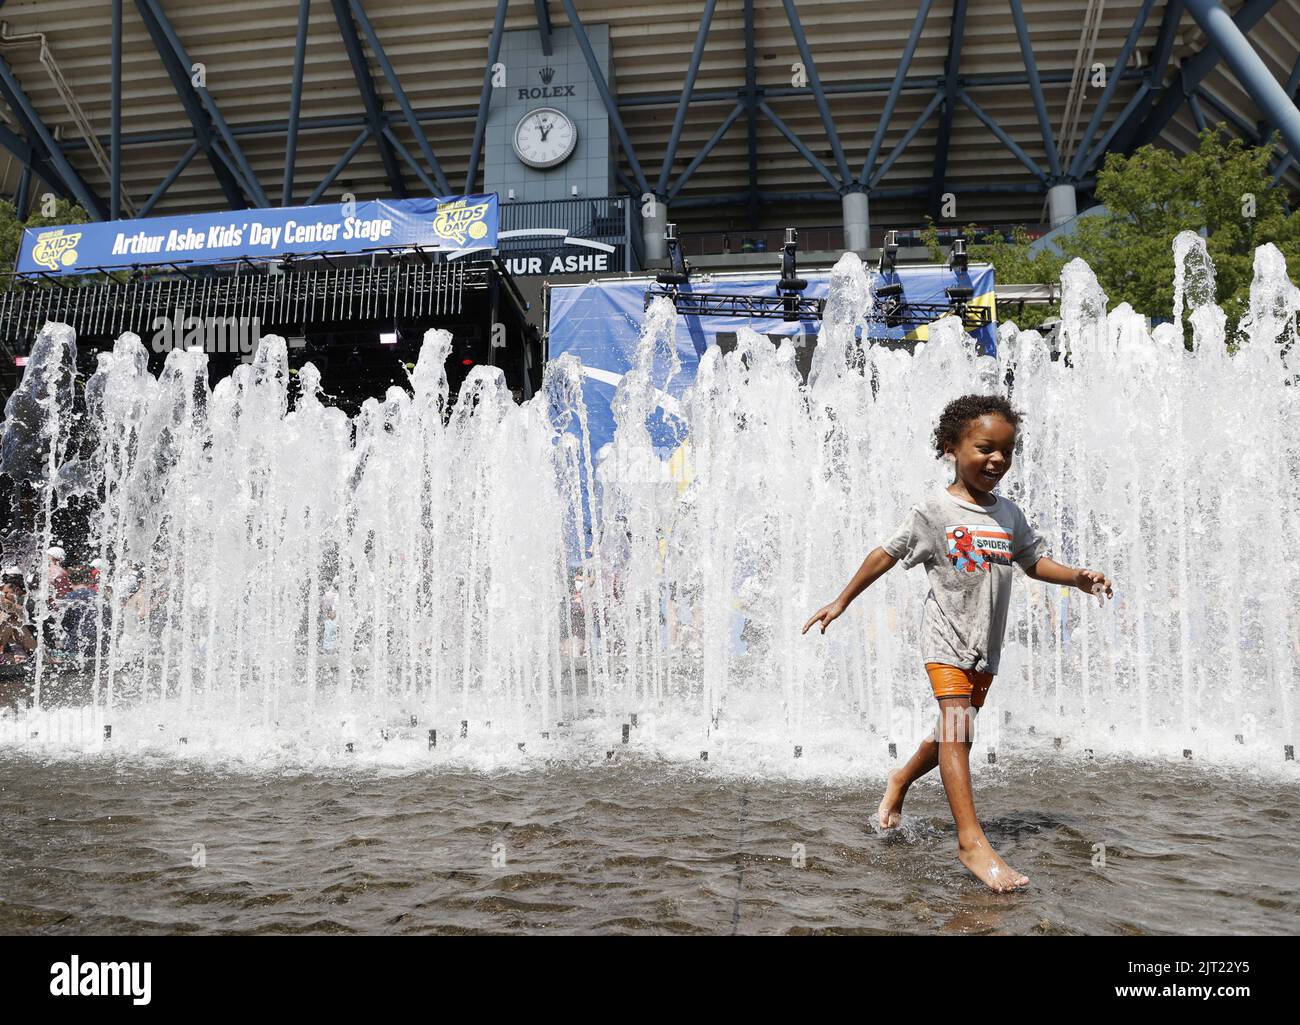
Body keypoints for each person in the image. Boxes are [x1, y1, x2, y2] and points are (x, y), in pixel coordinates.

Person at [802, 393, 1113, 893]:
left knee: (955, 730)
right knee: (958, 730)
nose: (997, 460)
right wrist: (842, 601)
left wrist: (1076, 577)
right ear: (952, 447)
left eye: (1006, 452)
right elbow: (886, 552)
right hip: (944, 637)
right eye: (985, 448)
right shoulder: (934, 509)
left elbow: (1032, 562)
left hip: (984, 646)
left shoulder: (1009, 514)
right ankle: (971, 842)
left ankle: (900, 779)